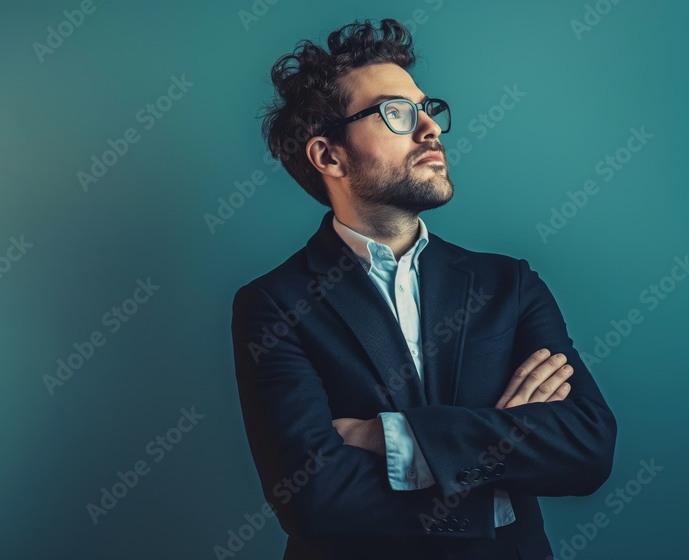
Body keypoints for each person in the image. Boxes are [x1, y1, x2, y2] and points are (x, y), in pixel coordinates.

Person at [230, 18, 616, 559]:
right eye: (396, 113)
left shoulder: (509, 284)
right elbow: (313, 497)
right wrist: (498, 471)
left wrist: (390, 438)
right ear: (329, 156)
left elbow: (588, 445)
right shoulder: (273, 305)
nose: (429, 128)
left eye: (427, 109)